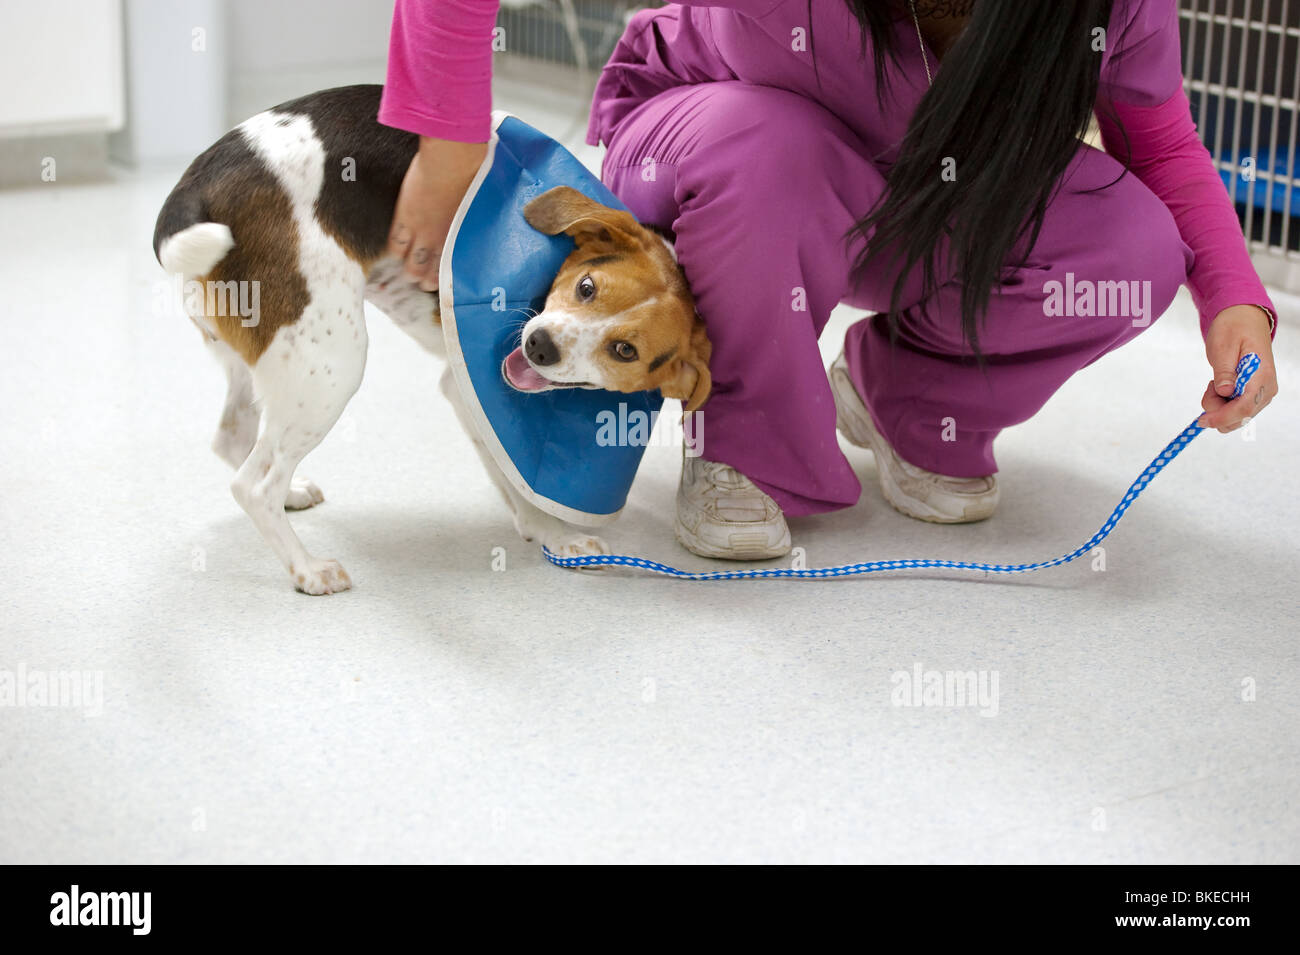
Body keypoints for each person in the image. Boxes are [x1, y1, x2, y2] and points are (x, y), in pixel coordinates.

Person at [379, 0, 1279, 561]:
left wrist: (1235, 297)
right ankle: (745, 441)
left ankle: (914, 400)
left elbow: (1156, 141)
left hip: (922, 196)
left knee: (1133, 243)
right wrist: (445, 141)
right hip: (713, 145)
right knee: (768, 149)